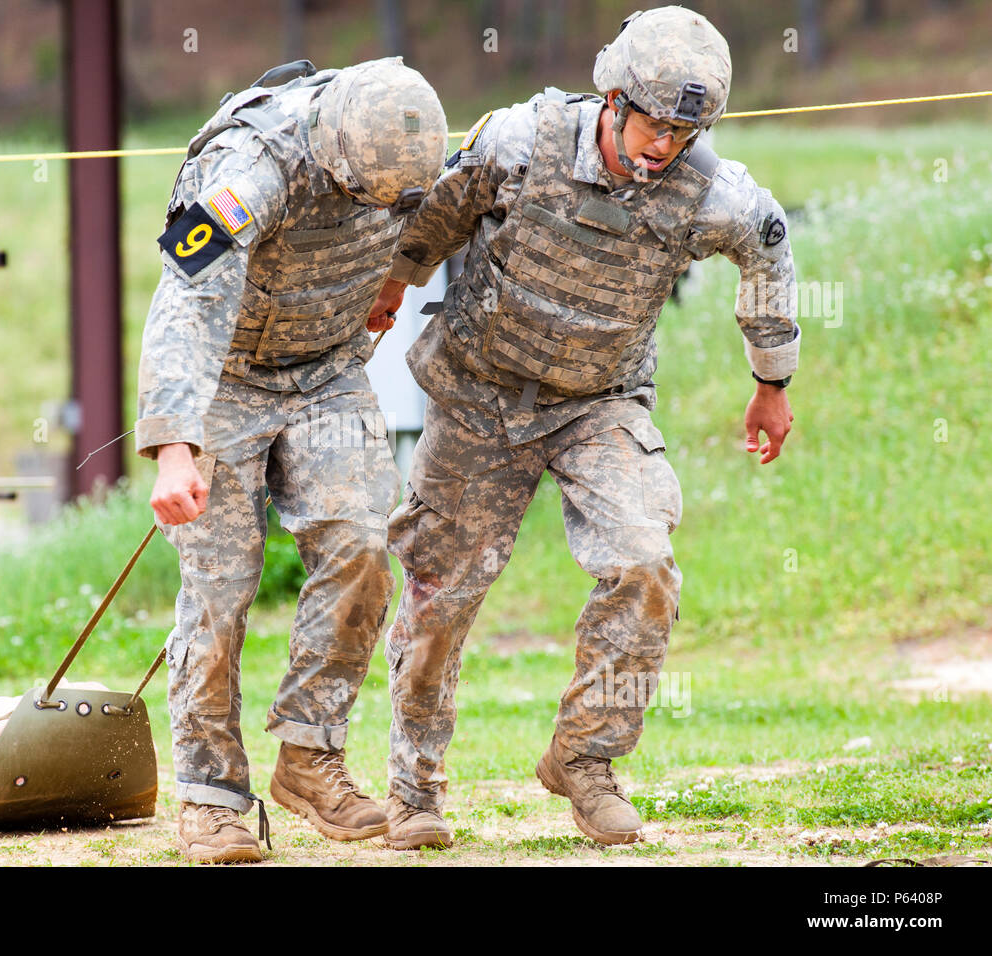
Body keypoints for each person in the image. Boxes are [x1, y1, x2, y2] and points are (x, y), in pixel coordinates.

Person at [369, 5, 800, 849]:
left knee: (646, 567)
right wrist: (392, 285)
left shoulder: (709, 191)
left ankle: (587, 759)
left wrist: (770, 383)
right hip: (479, 393)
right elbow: (436, 215)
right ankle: (414, 790)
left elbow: (770, 250)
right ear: (612, 99)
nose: (662, 145)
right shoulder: (519, 144)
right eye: (652, 123)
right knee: (437, 594)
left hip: (599, 403)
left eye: (685, 130)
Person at [136, 57, 447, 863]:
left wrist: (393, 280)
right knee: (221, 587)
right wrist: (175, 448)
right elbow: (186, 297)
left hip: (328, 367)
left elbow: (438, 223)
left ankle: (310, 756)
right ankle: (210, 799)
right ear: (333, 155)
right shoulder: (252, 167)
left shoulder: (408, 156)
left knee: (363, 543)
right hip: (225, 376)